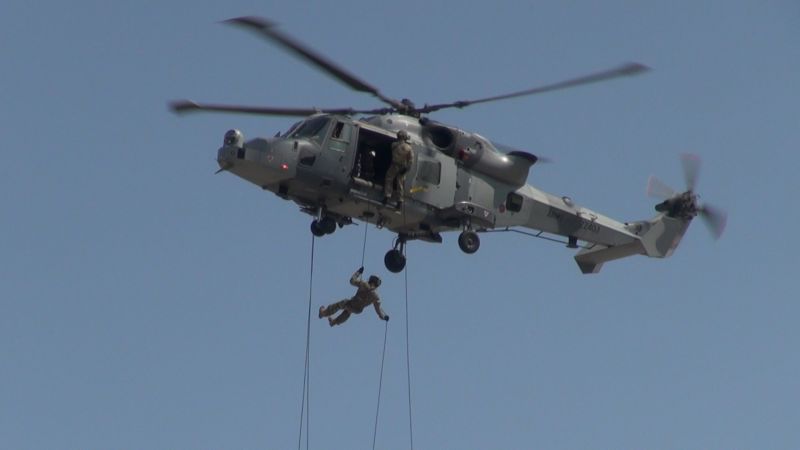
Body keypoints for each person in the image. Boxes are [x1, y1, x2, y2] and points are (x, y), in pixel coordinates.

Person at [319, 267, 389, 326]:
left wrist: (358, 272)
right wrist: (384, 317)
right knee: (348, 311)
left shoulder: (364, 284)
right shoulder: (376, 297)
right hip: (358, 310)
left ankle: (324, 313)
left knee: (342, 304)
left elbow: (352, 281)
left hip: (352, 303)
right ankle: (334, 322)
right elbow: (378, 310)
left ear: (371, 280)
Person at [384, 129, 414, 206]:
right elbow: (411, 160)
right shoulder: (409, 148)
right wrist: (406, 169)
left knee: (389, 179)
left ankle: (387, 195)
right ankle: (400, 200)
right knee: (400, 183)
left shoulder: (394, 144)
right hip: (403, 167)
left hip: (394, 165)